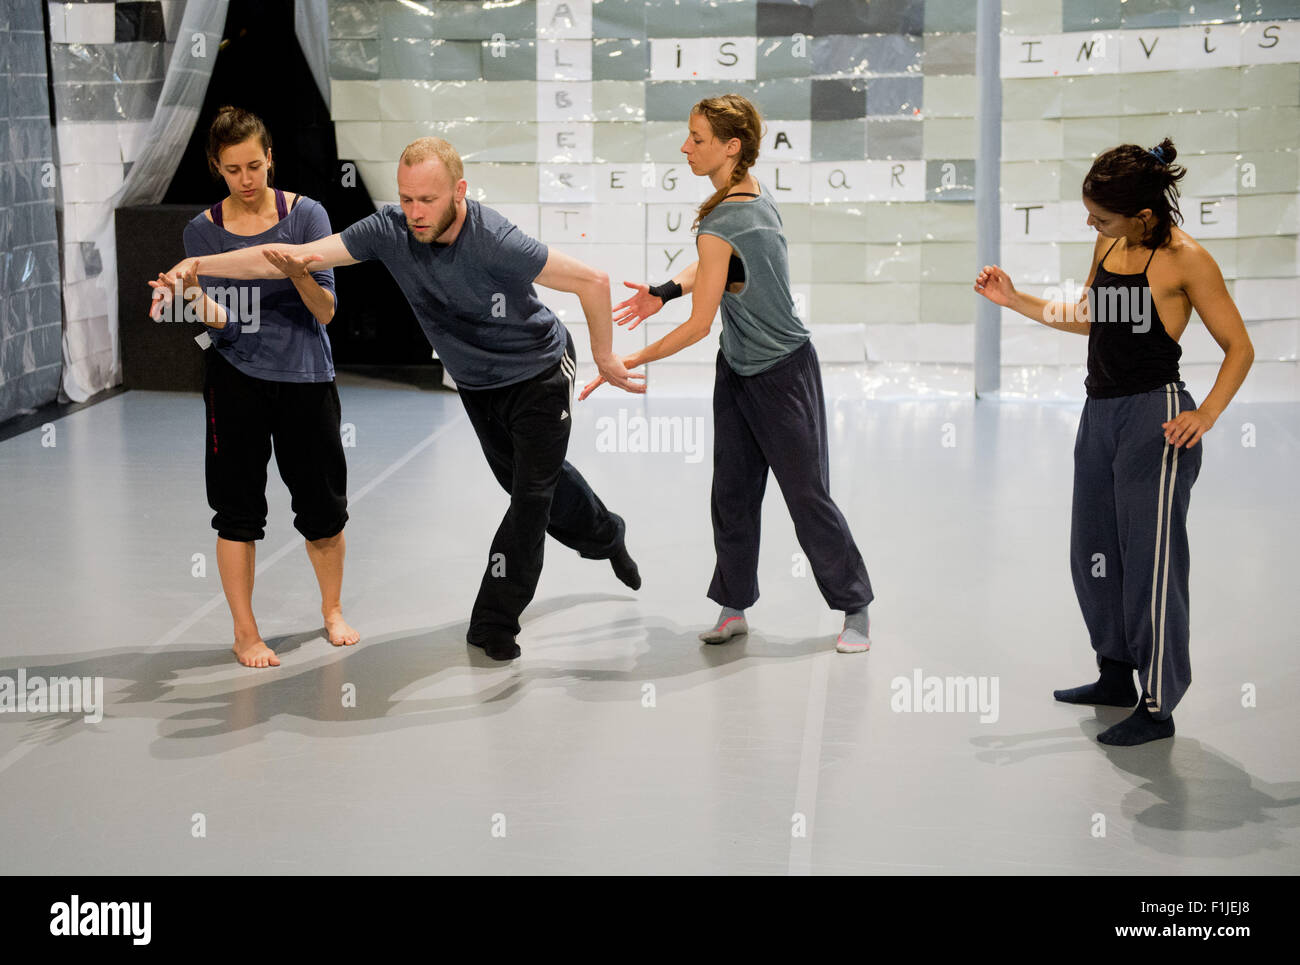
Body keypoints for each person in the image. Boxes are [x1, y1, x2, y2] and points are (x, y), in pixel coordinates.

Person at [153, 137, 644, 662]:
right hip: (478, 385)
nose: (414, 213)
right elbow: (290, 259)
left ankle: (494, 622)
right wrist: (199, 265)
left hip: (539, 372)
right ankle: (606, 534)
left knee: (530, 497)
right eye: (406, 198)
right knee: (526, 482)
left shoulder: (495, 239)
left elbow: (593, 281)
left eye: (427, 200)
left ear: (459, 191)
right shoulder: (389, 229)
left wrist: (606, 357)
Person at [974, 138, 1254, 746]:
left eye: (1101, 217)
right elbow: (1094, 319)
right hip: (1098, 412)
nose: (1092, 225)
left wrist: (1204, 413)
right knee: (1094, 551)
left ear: (1143, 215)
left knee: (1151, 566)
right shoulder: (1110, 243)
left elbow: (1240, 347)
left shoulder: (1188, 261)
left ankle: (1158, 705)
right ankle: (1115, 674)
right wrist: (1013, 299)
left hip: (1156, 419)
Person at [580, 94, 875, 653]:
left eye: (697, 138)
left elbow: (698, 325)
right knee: (732, 493)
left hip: (782, 374)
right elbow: (719, 263)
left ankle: (855, 606)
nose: (685, 147)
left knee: (807, 497)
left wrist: (626, 360)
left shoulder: (728, 215)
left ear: (730, 146)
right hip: (738, 368)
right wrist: (665, 291)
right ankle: (733, 605)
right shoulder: (743, 197)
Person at [150, 106, 357, 669]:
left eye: (255, 166)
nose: (246, 180)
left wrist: (296, 271)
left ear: (271, 159)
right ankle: (245, 632)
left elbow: (326, 310)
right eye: (233, 169)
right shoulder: (203, 231)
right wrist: (190, 294)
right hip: (235, 380)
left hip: (307, 379)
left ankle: (332, 610)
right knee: (237, 511)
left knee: (323, 509)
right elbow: (224, 321)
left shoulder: (307, 215)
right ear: (217, 168)